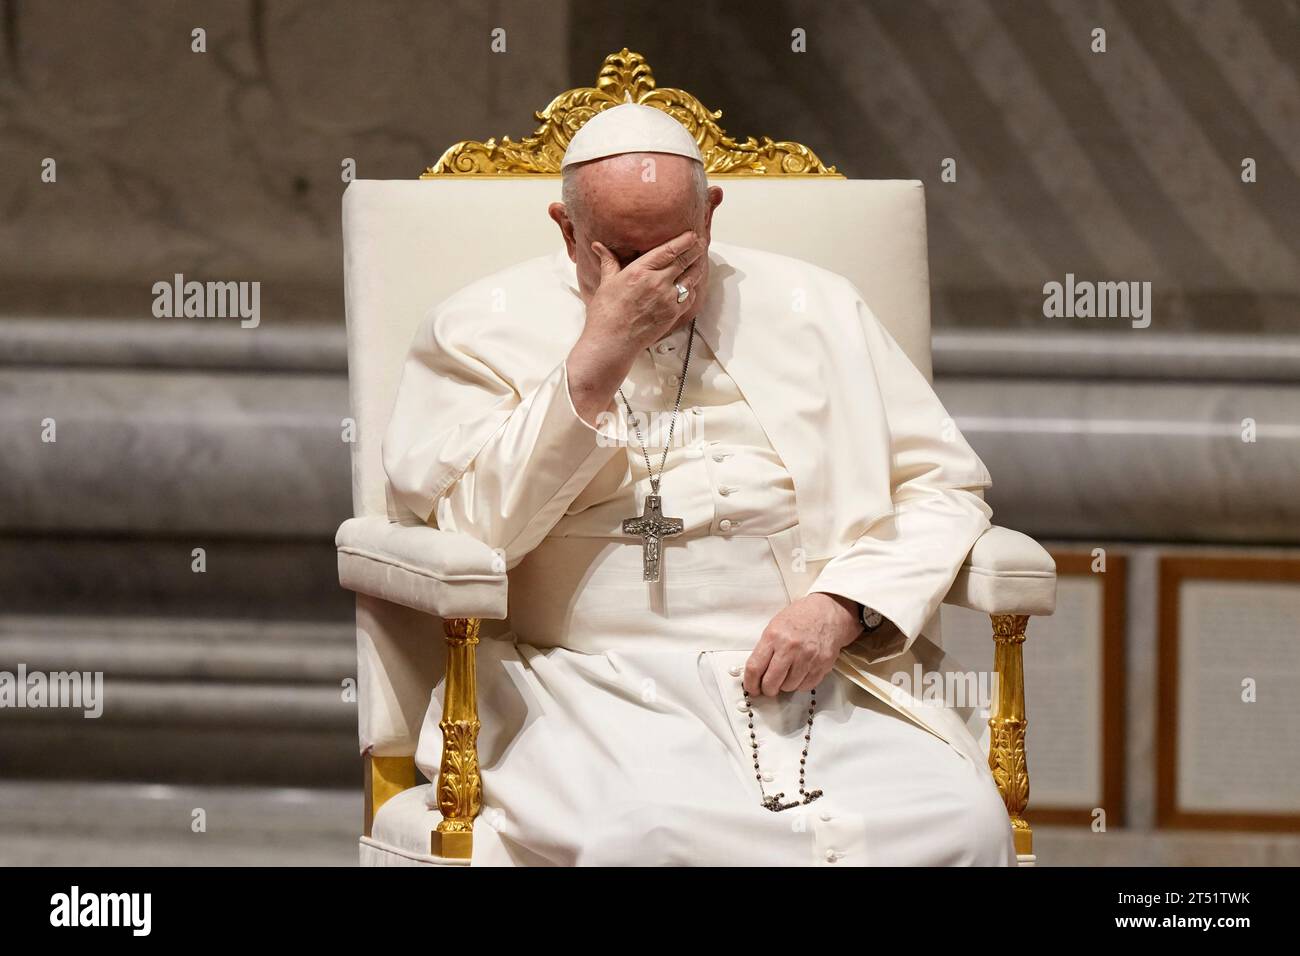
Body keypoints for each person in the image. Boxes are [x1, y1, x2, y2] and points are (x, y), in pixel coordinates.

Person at [383, 103, 1014, 866]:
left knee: (961, 824)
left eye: (677, 251)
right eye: (620, 254)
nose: (654, 281)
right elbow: (474, 532)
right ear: (565, 229)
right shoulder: (477, 326)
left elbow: (942, 484)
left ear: (711, 212)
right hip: (593, 682)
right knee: (655, 837)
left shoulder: (817, 306)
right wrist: (597, 356)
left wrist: (845, 606)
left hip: (816, 672)